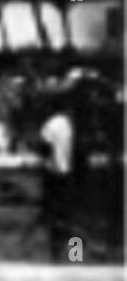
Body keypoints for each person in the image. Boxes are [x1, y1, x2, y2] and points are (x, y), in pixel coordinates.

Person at [37, 81, 78, 262]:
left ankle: (55, 257)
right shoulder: (68, 124)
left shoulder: (49, 125)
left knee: (53, 218)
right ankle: (76, 255)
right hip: (68, 173)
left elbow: (44, 148)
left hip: (52, 173)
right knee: (70, 217)